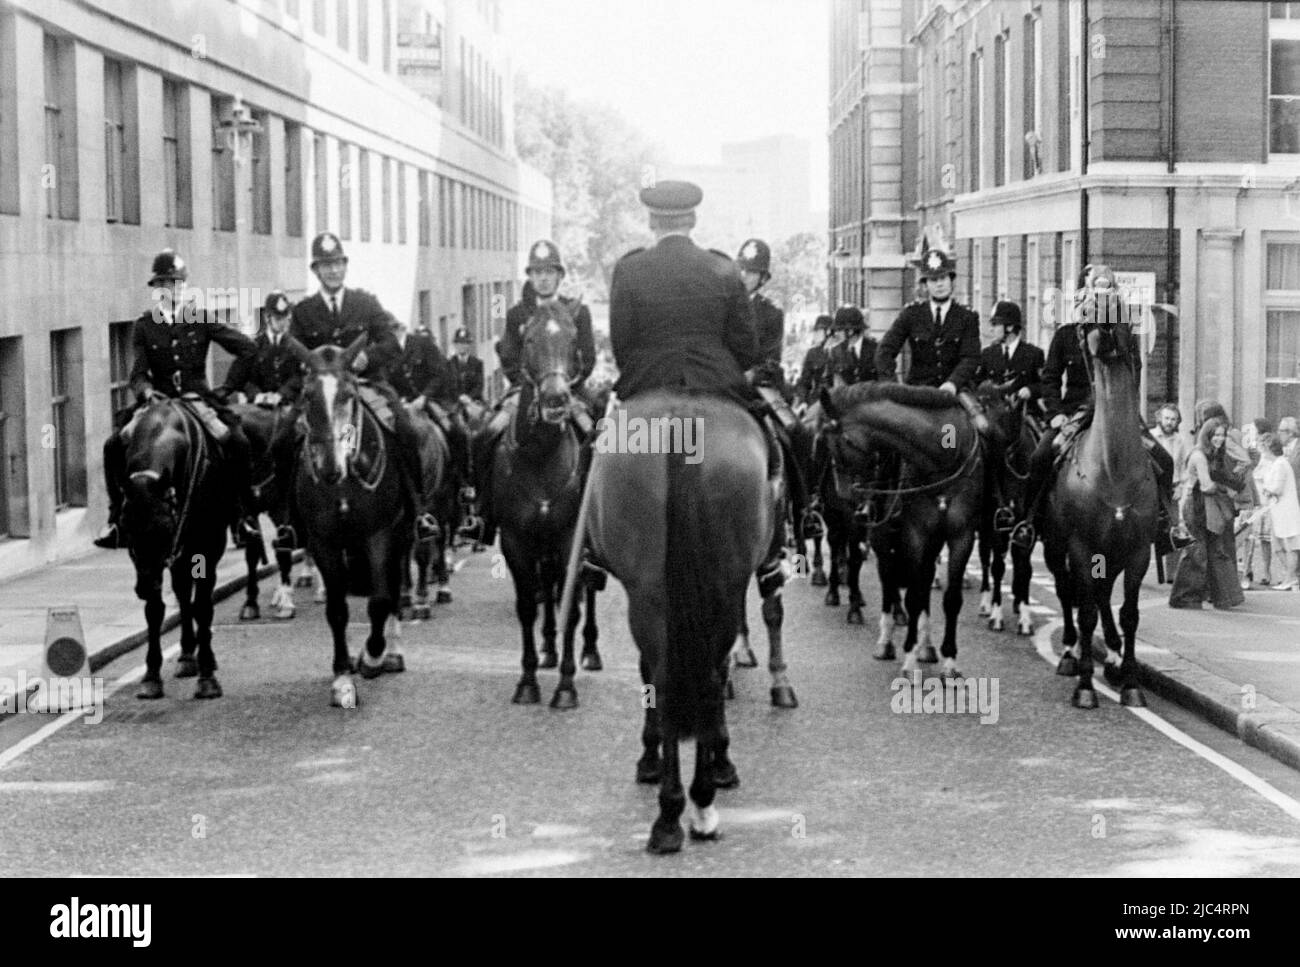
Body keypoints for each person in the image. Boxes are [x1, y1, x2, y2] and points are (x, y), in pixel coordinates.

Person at [1009, 264, 1186, 552]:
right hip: (1076, 412)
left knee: (1164, 460)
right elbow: (1050, 379)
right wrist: (1055, 416)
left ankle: (1168, 524)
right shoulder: (1065, 336)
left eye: (1107, 296)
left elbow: (1135, 373)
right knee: (1041, 455)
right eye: (1095, 296)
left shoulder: (1126, 335)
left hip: (1119, 411)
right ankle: (1028, 521)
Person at [94, 249, 260, 550]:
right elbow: (137, 373)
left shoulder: (201, 318)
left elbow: (247, 348)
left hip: (197, 400)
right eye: (163, 284)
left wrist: (226, 389)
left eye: (175, 283)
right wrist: (144, 391)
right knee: (113, 445)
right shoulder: (143, 325)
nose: (170, 290)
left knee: (237, 442)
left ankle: (243, 517)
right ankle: (116, 518)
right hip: (158, 401)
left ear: (184, 287)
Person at [280, 231, 438, 546]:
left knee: (405, 428)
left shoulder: (365, 303)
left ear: (345, 266)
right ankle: (289, 521)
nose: (333, 271)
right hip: (323, 392)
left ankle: (419, 510)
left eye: (338, 263)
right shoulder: (303, 311)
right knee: (284, 435)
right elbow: (289, 356)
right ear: (316, 271)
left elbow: (391, 341)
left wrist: (369, 357)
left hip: (366, 386)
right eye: (326, 266)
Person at [473, 240, 597, 544]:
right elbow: (509, 356)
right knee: (486, 435)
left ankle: (596, 522)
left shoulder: (578, 312)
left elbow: (588, 356)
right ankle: (484, 515)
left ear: (559, 276)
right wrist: (527, 382)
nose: (542, 278)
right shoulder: (518, 314)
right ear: (530, 276)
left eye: (549, 272)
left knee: (600, 438)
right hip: (525, 390)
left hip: (569, 390)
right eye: (537, 272)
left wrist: (566, 384)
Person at [875, 242, 981, 396]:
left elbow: (971, 357)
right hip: (918, 393)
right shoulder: (911, 314)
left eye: (943, 278)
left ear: (951, 280)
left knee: (977, 419)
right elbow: (884, 351)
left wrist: (952, 383)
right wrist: (893, 387)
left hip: (954, 393)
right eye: (933, 279)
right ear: (925, 285)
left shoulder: (967, 316)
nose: (939, 284)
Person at [1170, 417, 1246, 610]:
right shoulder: (1199, 455)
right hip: (1196, 506)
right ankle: (1184, 597)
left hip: (1207, 506)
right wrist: (1228, 488)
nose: (1220, 439)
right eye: (1216, 435)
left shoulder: (1212, 454)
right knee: (1197, 551)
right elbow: (1207, 486)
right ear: (1207, 435)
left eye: (1222, 435)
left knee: (1213, 550)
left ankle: (1218, 597)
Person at [225, 290, 303, 407]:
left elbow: (300, 376)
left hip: (288, 407)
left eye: (286, 318)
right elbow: (240, 379)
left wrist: (281, 395)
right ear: (267, 318)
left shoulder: (297, 347)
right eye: (278, 318)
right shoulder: (252, 346)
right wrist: (257, 395)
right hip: (259, 410)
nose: (283, 323)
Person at [973, 300, 1044, 405]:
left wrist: (1030, 390)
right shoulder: (987, 354)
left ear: (1010, 327)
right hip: (993, 414)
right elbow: (975, 384)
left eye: (995, 324)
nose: (991, 329)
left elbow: (1046, 385)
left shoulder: (1034, 354)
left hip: (1023, 413)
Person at [1151, 402, 1191, 582]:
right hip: (1151, 488)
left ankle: (1172, 574)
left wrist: (1181, 487)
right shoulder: (1150, 437)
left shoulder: (1180, 441)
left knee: (1174, 527)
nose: (1169, 422)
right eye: (1166, 418)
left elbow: (1182, 467)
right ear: (1160, 418)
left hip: (1171, 489)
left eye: (1173, 419)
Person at [1261, 432, 1300, 590]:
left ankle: (1290, 578)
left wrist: (1266, 489)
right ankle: (1291, 576)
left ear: (1268, 448)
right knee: (1278, 546)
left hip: (1286, 510)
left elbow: (1276, 488)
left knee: (1290, 545)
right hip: (1278, 510)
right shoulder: (1276, 464)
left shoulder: (1280, 464)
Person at [827, 305, 878, 387]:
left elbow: (886, 382)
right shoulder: (835, 353)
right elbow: (828, 384)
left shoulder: (875, 349)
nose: (836, 334)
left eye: (839, 330)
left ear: (850, 331)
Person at [794, 314, 833, 408]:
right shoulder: (813, 353)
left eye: (818, 331)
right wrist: (803, 401)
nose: (815, 334)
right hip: (815, 401)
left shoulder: (838, 351)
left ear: (828, 332)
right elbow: (804, 382)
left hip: (833, 401)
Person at [448, 327, 486, 404]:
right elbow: (447, 386)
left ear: (469, 345)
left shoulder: (477, 363)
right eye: (459, 343)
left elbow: (479, 386)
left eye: (465, 343)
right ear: (455, 344)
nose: (462, 346)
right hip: (454, 402)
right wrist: (459, 397)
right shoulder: (448, 364)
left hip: (473, 401)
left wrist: (469, 397)